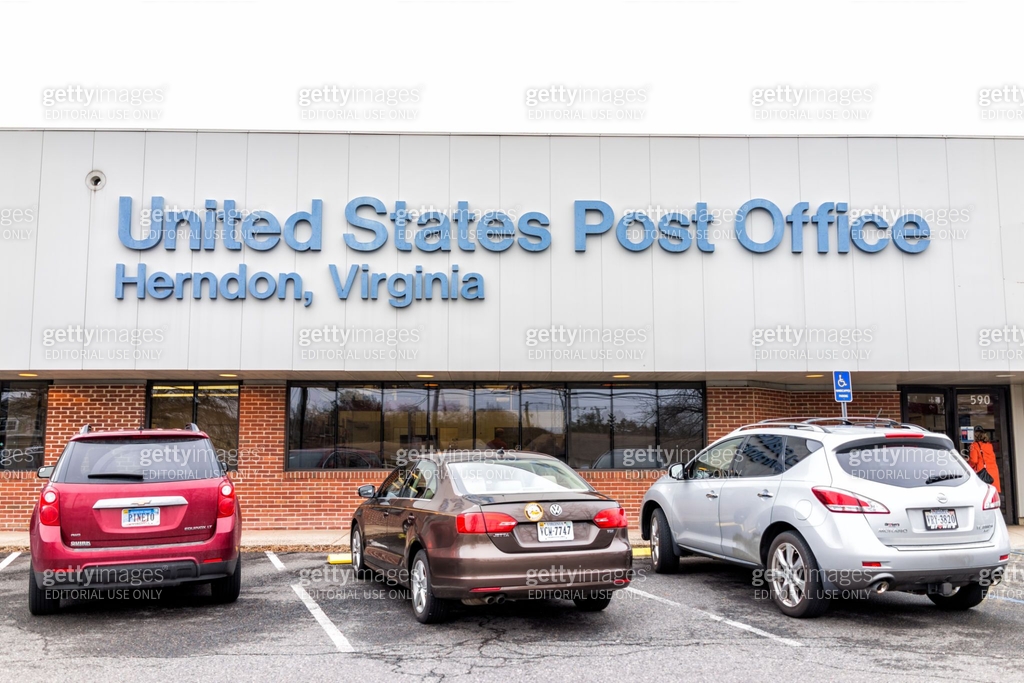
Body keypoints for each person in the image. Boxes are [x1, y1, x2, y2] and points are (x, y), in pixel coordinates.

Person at [968, 427, 1001, 494]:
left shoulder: (974, 445)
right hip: (993, 472)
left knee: (983, 493)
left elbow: (974, 461)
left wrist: (968, 461)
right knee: (993, 493)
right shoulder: (989, 445)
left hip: (983, 472)